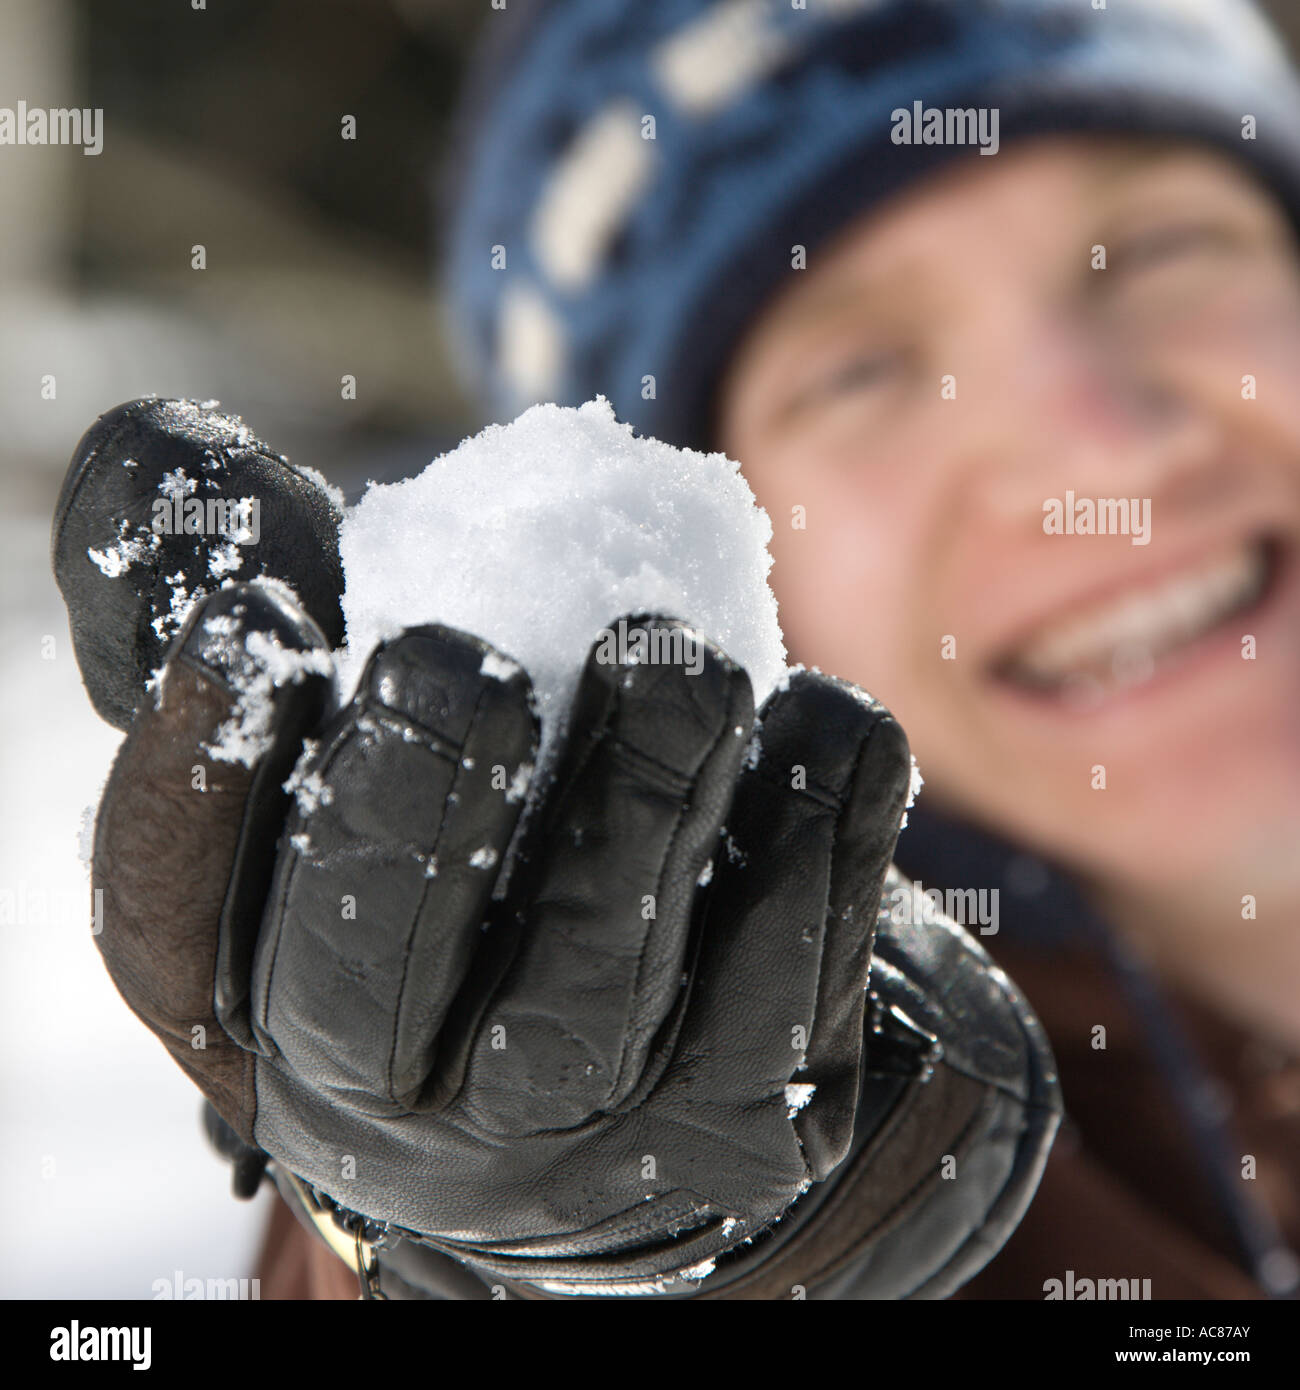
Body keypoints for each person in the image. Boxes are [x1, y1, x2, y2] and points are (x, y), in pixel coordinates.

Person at [53, 0, 1299, 1299]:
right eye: (860, 370)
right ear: (734, 590)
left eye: (1161, 250)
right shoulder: (852, 1144)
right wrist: (550, 1255)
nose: (1094, 444)